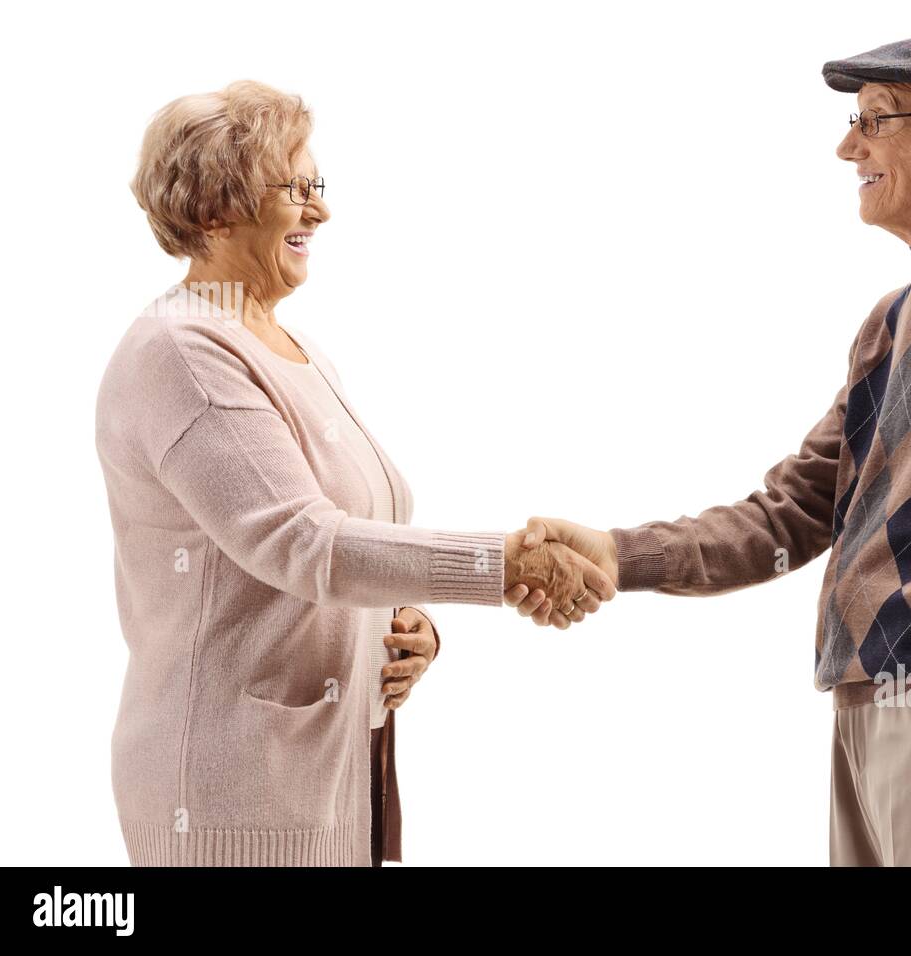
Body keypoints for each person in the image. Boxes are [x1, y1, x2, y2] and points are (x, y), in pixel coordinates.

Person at [509, 33, 911, 866]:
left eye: (876, 121)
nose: (848, 146)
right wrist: (618, 553)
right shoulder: (894, 320)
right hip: (862, 719)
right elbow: (793, 512)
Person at [97, 80, 614, 866]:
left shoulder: (284, 345)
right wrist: (502, 563)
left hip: (334, 769)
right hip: (230, 790)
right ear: (214, 209)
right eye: (295, 189)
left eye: (319, 187)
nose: (320, 210)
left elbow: (352, 534)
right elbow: (304, 544)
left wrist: (409, 629)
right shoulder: (185, 353)